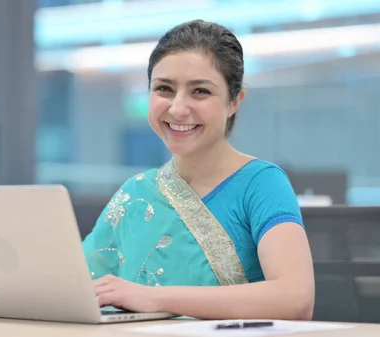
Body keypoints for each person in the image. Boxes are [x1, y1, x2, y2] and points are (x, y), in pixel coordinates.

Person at [82, 19, 315, 320]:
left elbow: (295, 298)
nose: (178, 108)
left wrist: (155, 299)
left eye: (200, 92)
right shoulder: (135, 193)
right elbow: (73, 287)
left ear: (234, 102)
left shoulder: (261, 184)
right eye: (164, 89)